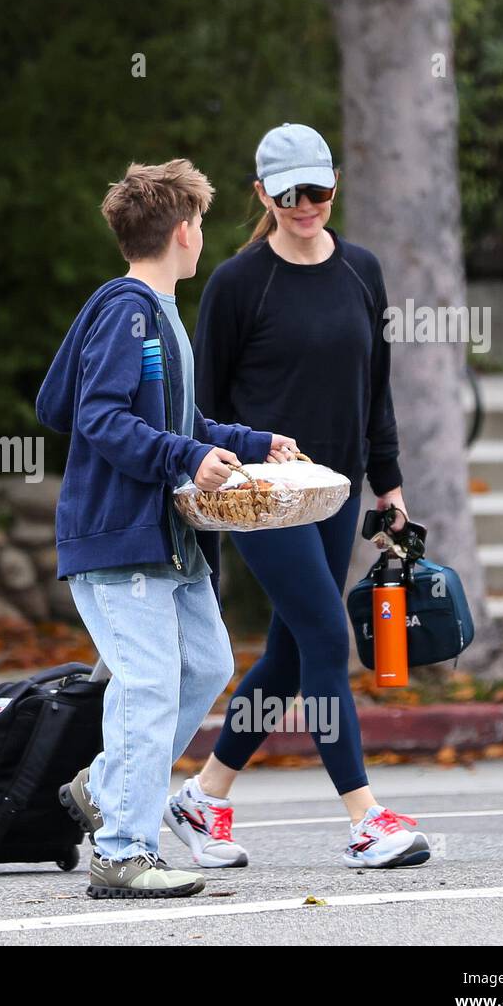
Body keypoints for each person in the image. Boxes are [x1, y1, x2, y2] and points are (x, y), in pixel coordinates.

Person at [165, 123, 430, 870]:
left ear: (333, 185)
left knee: (287, 652)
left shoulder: (362, 271)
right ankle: (364, 816)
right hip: (258, 494)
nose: (305, 204)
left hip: (337, 489)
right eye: (288, 194)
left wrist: (391, 486)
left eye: (316, 189)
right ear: (262, 195)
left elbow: (373, 389)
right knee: (324, 635)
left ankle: (204, 793)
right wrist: (203, 507)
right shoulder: (237, 283)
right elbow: (201, 404)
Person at [37, 159, 297, 898]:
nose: (203, 236)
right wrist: (187, 454)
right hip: (121, 541)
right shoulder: (128, 310)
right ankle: (121, 849)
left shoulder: (160, 313)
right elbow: (100, 419)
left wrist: (250, 442)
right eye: (203, 224)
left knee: (208, 666)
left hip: (170, 544)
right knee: (149, 684)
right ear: (183, 231)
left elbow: (178, 424)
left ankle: (103, 786)